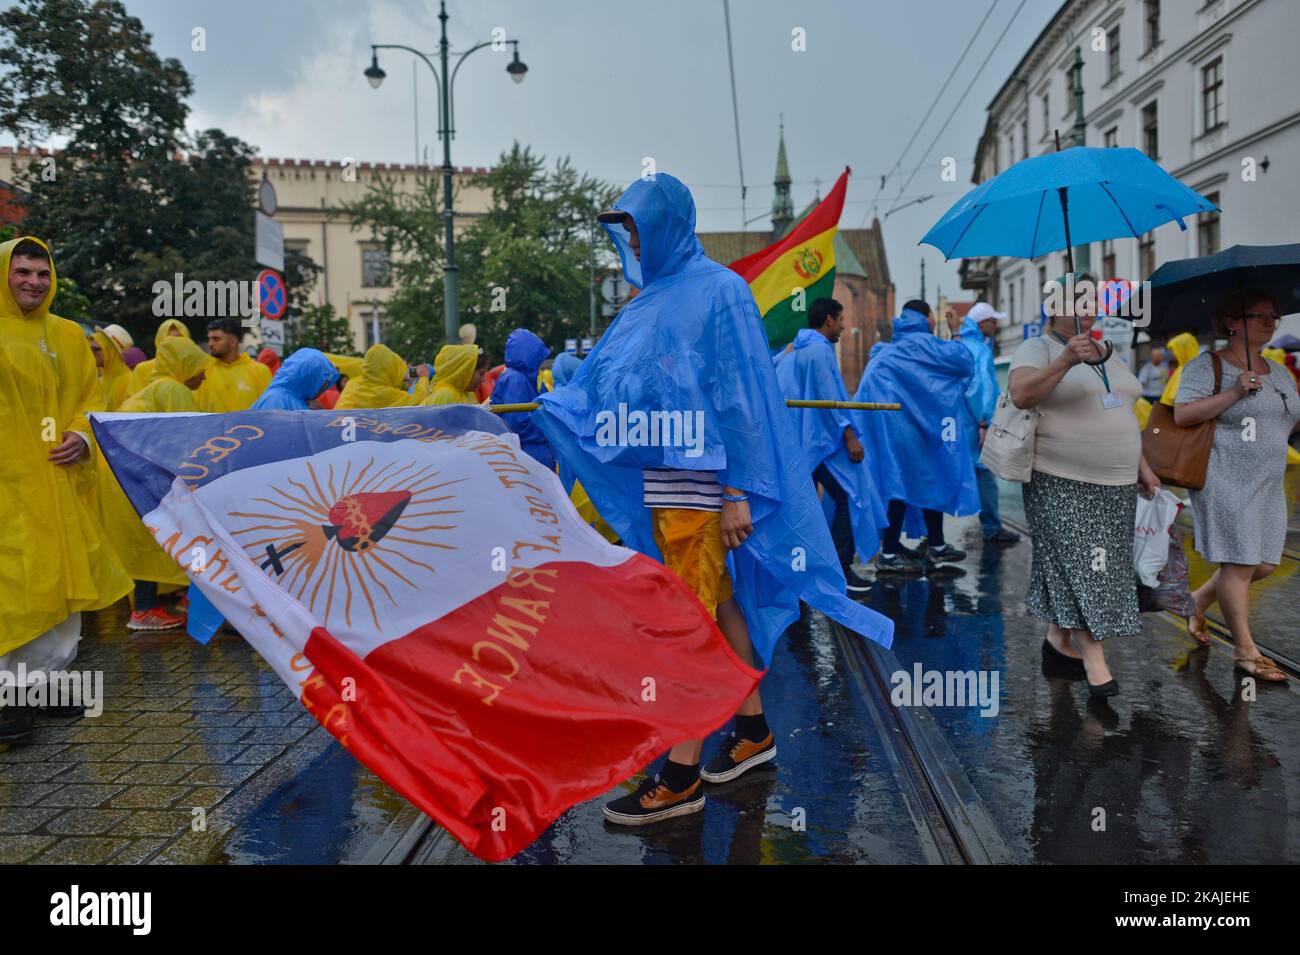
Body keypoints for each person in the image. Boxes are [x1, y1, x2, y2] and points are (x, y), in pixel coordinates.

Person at [535, 173, 891, 825]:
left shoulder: (720, 292)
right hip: (669, 488)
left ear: (666, 222)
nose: (631, 238)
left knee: (685, 626)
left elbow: (741, 398)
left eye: (637, 224)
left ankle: (681, 773)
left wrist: (736, 492)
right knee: (719, 609)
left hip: (702, 492)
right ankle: (752, 733)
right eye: (626, 228)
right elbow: (609, 379)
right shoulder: (648, 299)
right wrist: (561, 403)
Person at [0, 237, 131, 742]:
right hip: (9, 487)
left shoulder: (67, 335)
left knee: (61, 580)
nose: (34, 281)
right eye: (22, 272)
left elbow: (88, 397)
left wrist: (80, 433)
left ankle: (41, 684)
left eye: (42, 273)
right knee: (13, 586)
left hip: (57, 484)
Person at [1008, 279, 1161, 697]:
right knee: (1082, 568)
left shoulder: (1108, 354)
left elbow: (1121, 410)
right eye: (1078, 300)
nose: (1089, 307)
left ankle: (1058, 642)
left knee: (1099, 569)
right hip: (1059, 479)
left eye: (1093, 300)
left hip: (1116, 485)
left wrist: (1142, 466)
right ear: (1052, 306)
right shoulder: (1036, 349)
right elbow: (1020, 395)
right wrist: (1063, 362)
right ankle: (1096, 663)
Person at [1175, 291, 1299, 681]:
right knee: (1241, 561)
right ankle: (1246, 651)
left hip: (1267, 480)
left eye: (1274, 316)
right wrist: (1234, 392)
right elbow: (1182, 415)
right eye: (1260, 315)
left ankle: (1197, 601)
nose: (1270, 321)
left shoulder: (1277, 370)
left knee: (1263, 562)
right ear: (1232, 321)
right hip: (1224, 475)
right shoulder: (1207, 365)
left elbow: (1288, 419)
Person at [853, 300, 978, 574]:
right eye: (932, 315)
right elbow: (964, 362)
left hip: (890, 429)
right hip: (908, 430)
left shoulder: (890, 349)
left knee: (913, 483)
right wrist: (956, 331)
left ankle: (931, 544)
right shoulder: (924, 343)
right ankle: (890, 554)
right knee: (904, 485)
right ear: (926, 317)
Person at [104, 336, 214, 631]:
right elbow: (190, 445)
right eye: (198, 368)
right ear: (183, 366)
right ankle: (182, 603)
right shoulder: (173, 389)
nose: (204, 376)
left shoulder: (155, 388)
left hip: (123, 476)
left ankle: (146, 608)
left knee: (146, 542)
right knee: (188, 534)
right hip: (135, 478)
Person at [775, 296, 883, 592]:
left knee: (801, 508)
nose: (844, 327)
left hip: (798, 446)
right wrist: (849, 436)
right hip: (819, 446)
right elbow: (829, 397)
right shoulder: (819, 351)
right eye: (841, 320)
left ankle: (799, 571)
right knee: (847, 496)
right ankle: (841, 571)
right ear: (829, 320)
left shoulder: (793, 351)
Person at [953, 302, 1020, 546]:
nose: (996, 325)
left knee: (960, 474)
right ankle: (992, 528)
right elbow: (979, 389)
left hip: (965, 423)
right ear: (982, 324)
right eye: (993, 321)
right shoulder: (979, 350)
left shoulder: (965, 346)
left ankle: (932, 536)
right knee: (985, 476)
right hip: (976, 424)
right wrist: (983, 422)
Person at [490, 329, 554, 469]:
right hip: (527, 456)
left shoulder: (527, 379)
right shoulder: (515, 380)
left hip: (530, 455)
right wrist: (549, 428)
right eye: (538, 359)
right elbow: (519, 423)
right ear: (529, 356)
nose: (541, 364)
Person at [196, 318, 271, 412]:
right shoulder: (202, 372)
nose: (210, 344)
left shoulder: (260, 371)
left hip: (248, 427)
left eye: (216, 339)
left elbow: (269, 410)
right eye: (209, 339)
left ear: (233, 341)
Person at [334, 343, 430, 409]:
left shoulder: (352, 384)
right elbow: (419, 403)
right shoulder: (383, 393)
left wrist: (402, 381)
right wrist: (424, 378)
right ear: (390, 371)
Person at [249, 347, 339, 411]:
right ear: (309, 379)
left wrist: (318, 416)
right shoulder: (276, 401)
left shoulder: (285, 397)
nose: (321, 391)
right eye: (322, 385)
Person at [126, 318, 190, 395]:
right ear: (160, 341)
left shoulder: (195, 371)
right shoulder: (143, 369)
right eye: (169, 339)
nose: (174, 343)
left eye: (179, 339)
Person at [88, 327, 131, 411]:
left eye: (95, 349)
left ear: (111, 352)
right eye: (90, 348)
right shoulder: (101, 380)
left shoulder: (129, 382)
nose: (91, 353)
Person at [1158, 331, 1201, 407]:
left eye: (1175, 350)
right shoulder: (1182, 368)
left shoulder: (1187, 370)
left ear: (1184, 349)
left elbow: (1175, 399)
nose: (1174, 354)